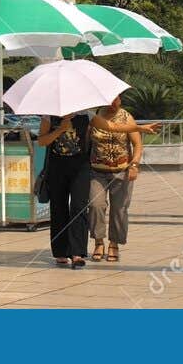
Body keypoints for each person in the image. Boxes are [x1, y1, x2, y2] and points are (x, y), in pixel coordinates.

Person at [36, 107, 158, 268]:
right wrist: (60, 129)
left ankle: (77, 252)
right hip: (57, 168)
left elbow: (112, 126)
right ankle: (60, 251)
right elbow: (42, 141)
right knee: (59, 208)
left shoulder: (86, 115)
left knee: (79, 207)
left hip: (80, 168)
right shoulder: (49, 116)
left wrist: (139, 128)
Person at [88, 93, 143, 262]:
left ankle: (114, 243)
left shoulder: (127, 117)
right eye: (111, 99)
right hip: (97, 171)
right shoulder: (95, 116)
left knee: (119, 209)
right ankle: (98, 241)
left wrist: (134, 165)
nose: (114, 103)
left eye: (117, 99)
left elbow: (137, 144)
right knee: (96, 205)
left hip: (121, 171)